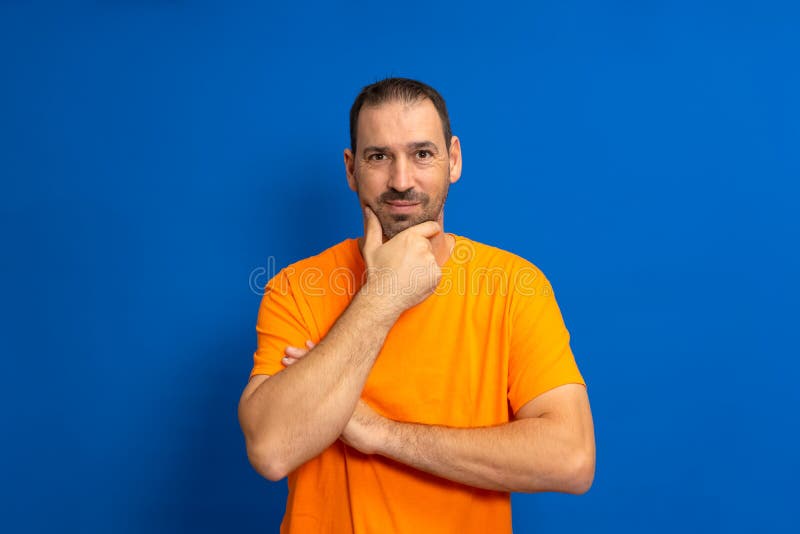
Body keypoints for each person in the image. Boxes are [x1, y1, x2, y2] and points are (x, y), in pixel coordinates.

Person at [238, 77, 595, 533]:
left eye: (422, 154)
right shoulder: (296, 288)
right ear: (350, 169)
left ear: (454, 160)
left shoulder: (515, 287)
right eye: (379, 156)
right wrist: (383, 296)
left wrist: (381, 434)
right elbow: (270, 449)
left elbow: (572, 458)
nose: (401, 181)